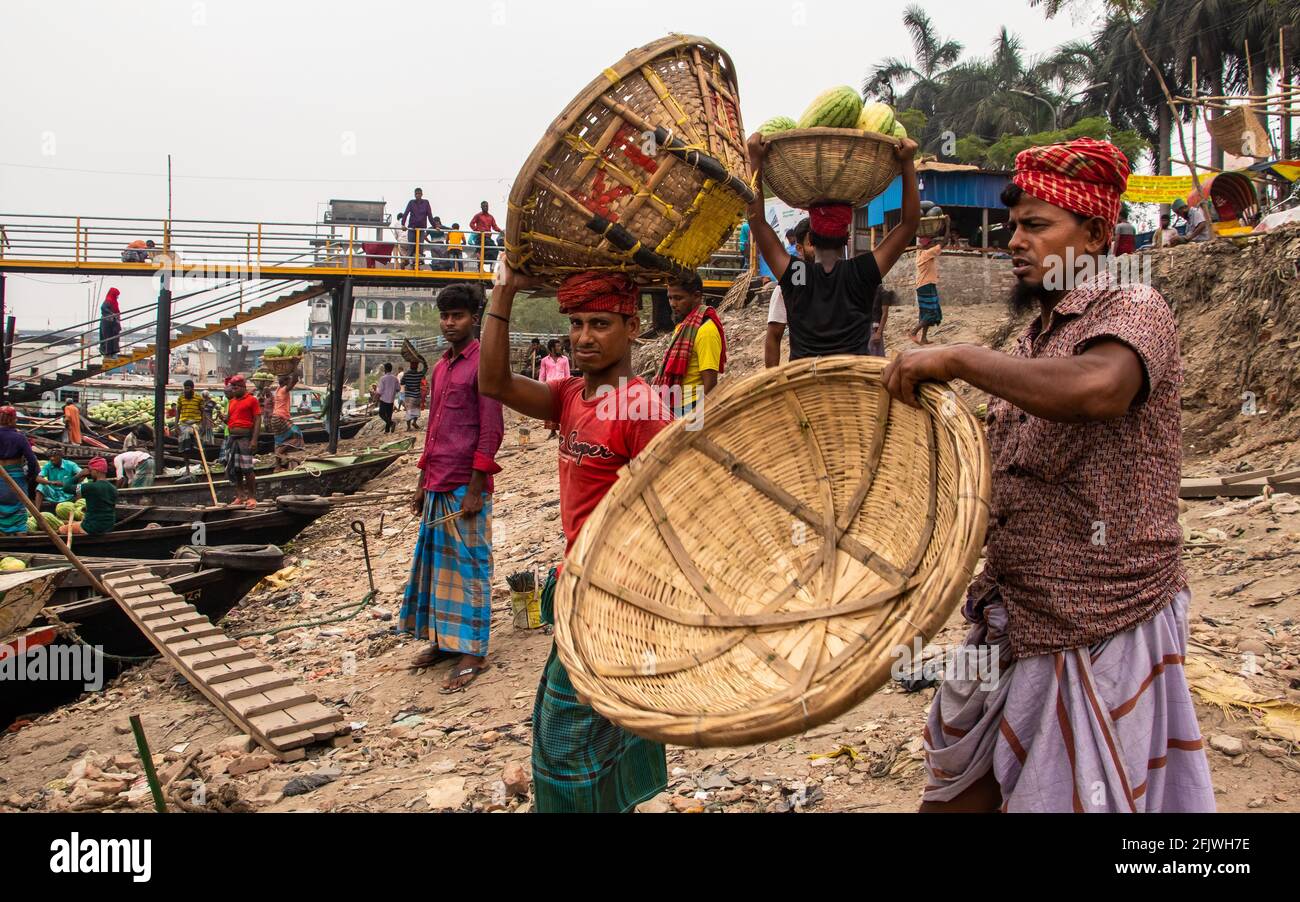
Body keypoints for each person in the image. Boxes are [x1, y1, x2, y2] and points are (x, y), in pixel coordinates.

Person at [881, 137, 1213, 813]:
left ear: (1094, 232)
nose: (1015, 241)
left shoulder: (1134, 306)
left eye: (1037, 226)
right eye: (1014, 227)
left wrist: (962, 358)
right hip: (1016, 612)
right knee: (955, 784)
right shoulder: (1040, 339)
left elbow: (1100, 390)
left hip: (1100, 618)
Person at [479, 265, 673, 813]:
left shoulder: (643, 411)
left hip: (613, 596)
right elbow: (492, 382)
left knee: (563, 737)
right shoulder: (569, 397)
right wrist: (505, 291)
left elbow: (669, 516)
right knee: (603, 727)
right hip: (577, 583)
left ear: (633, 328)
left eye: (601, 324)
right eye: (578, 324)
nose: (585, 337)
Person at [401, 283, 504, 692]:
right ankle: (445, 642)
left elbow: (491, 430)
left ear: (474, 318)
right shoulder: (442, 366)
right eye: (444, 317)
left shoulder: (485, 364)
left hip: (466, 485)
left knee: (470, 568)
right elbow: (433, 430)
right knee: (437, 568)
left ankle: (473, 651)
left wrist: (477, 487)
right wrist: (421, 481)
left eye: (457, 316)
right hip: (437, 480)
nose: (449, 323)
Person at [745, 131, 920, 360]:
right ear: (846, 236)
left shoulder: (799, 275)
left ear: (811, 239)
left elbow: (757, 223)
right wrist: (907, 163)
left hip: (805, 384)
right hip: (852, 385)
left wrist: (756, 160)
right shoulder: (861, 271)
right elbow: (909, 224)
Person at [652, 271, 725, 414]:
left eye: (679, 298)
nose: (673, 304)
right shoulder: (684, 326)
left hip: (690, 408)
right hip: (674, 404)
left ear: (697, 296)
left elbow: (710, 383)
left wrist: (696, 419)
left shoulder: (706, 331)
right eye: (670, 298)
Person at [220, 375, 261, 508]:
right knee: (234, 468)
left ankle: (252, 497)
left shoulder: (252, 400)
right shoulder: (232, 402)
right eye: (232, 387)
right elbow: (230, 420)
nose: (233, 390)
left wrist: (254, 440)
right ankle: (240, 495)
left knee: (247, 469)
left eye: (236, 387)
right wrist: (223, 418)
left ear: (243, 387)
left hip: (245, 438)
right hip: (232, 438)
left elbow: (257, 420)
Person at [0, 406, 39, 533]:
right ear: (13, 419)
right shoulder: (19, 437)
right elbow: (32, 461)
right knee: (19, 505)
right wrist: (29, 477)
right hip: (16, 476)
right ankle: (19, 533)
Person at [61, 457, 117, 536]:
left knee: (62, 529)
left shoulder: (90, 487)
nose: (90, 474)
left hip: (92, 528)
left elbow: (66, 488)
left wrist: (78, 475)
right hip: (109, 526)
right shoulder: (113, 488)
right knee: (79, 522)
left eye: (90, 471)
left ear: (95, 471)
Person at [911, 235, 944, 345]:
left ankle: (924, 338)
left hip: (924, 285)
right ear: (927, 245)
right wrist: (948, 225)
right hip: (926, 286)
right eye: (932, 243)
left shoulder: (921, 253)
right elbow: (944, 242)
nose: (933, 244)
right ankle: (914, 332)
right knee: (931, 313)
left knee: (925, 313)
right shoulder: (927, 253)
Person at [536, 338, 571, 440]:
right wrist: (540, 388)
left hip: (562, 387)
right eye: (558, 346)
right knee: (552, 409)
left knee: (563, 410)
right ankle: (552, 431)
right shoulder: (544, 360)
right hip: (549, 387)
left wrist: (568, 386)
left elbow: (567, 374)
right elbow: (542, 376)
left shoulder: (564, 359)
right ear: (552, 348)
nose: (560, 347)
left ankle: (563, 431)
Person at [269, 372, 304, 469]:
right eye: (288, 381)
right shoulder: (284, 390)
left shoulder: (278, 389)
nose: (289, 383)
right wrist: (295, 366)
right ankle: (280, 453)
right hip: (280, 417)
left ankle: (277, 467)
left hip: (275, 418)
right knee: (297, 435)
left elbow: (292, 380)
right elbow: (295, 380)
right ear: (285, 382)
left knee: (279, 441)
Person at [399, 188, 436, 269]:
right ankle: (406, 262)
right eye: (416, 194)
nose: (418, 195)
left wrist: (435, 226)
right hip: (412, 228)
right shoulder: (411, 202)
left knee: (420, 247)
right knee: (411, 247)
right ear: (414, 195)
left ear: (422, 194)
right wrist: (403, 224)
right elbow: (406, 213)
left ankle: (416, 265)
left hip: (421, 228)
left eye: (419, 193)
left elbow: (430, 215)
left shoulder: (426, 202)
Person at [469, 201, 502, 269]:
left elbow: (494, 226)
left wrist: (500, 231)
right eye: (484, 206)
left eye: (486, 206)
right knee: (480, 251)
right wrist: (478, 230)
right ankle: (480, 266)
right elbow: (471, 224)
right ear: (481, 207)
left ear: (488, 207)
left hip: (488, 237)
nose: (485, 207)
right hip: (480, 237)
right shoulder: (478, 215)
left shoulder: (491, 217)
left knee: (495, 250)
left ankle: (491, 266)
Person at [401, 358, 426, 431]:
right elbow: (425, 369)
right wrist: (423, 362)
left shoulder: (406, 374)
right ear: (417, 366)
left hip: (408, 396)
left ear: (410, 366)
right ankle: (414, 422)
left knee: (409, 411)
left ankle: (408, 427)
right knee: (416, 410)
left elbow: (402, 383)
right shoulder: (419, 374)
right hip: (416, 395)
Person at [376, 362, 400, 434]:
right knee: (389, 415)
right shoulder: (395, 378)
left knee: (381, 414)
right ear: (391, 369)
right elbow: (398, 389)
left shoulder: (383, 378)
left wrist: (377, 398)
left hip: (384, 399)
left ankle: (391, 423)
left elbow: (380, 391)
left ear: (385, 369)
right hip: (391, 399)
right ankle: (387, 431)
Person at [870, 287, 894, 357]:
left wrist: (878, 333)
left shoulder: (884, 293)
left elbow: (885, 314)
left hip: (875, 328)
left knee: (875, 354)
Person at [100, 287, 122, 359]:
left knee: (113, 339)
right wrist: (112, 314)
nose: (117, 297)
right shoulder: (108, 300)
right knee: (108, 338)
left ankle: (112, 353)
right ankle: (108, 354)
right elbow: (103, 308)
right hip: (107, 323)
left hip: (112, 323)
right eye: (116, 295)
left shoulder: (113, 301)